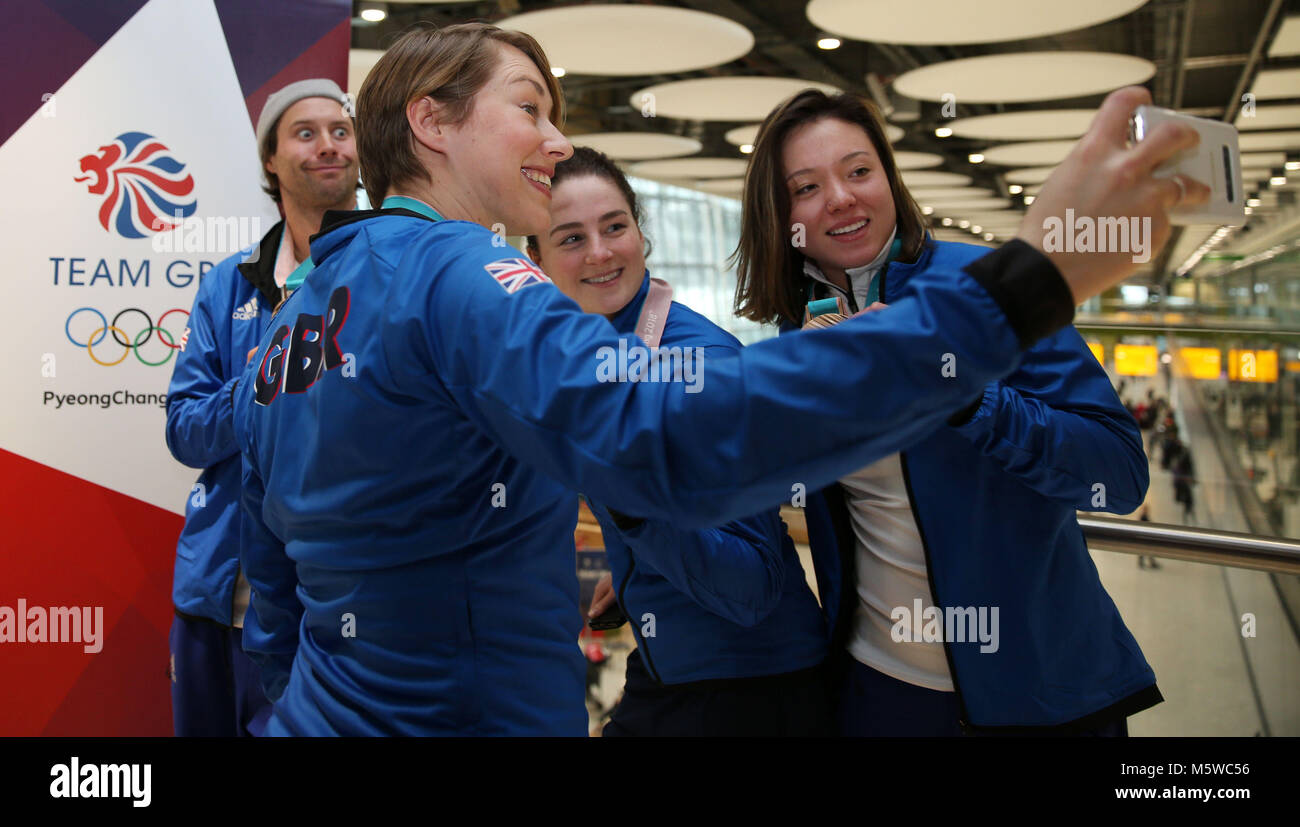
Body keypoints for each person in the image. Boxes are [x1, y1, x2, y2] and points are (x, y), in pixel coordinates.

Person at [231, 21, 1207, 736]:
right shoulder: (464, 274)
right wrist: (1018, 289)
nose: (558, 140)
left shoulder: (306, 304)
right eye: (528, 107)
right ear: (431, 123)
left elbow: (267, 554)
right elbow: (671, 439)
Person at [732, 89, 1160, 736]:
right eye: (806, 187)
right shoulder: (798, 338)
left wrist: (965, 396)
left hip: (1042, 692)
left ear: (888, 179)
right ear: (780, 213)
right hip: (879, 693)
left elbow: (1120, 473)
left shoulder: (986, 287)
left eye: (858, 171)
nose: (842, 198)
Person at [525, 147, 830, 736]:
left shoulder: (698, 367)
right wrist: (637, 563)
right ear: (534, 258)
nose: (600, 252)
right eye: (570, 238)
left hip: (753, 691)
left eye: (615, 227)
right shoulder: (604, 344)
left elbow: (753, 586)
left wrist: (633, 509)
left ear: (641, 232)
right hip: (684, 669)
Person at [163, 78, 357, 736]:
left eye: (341, 130)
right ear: (270, 161)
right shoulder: (229, 284)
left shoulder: (385, 274)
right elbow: (186, 430)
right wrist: (258, 381)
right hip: (214, 604)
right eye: (306, 133)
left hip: (330, 608)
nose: (329, 145)